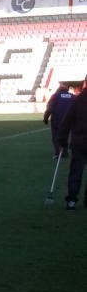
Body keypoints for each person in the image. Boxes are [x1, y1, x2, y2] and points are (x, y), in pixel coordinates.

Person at [58, 77, 87, 209]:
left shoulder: (77, 100)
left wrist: (62, 141)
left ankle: (72, 201)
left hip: (79, 142)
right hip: (80, 141)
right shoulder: (77, 100)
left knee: (76, 172)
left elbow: (66, 122)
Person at [43, 81, 75, 158]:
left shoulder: (55, 96)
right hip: (69, 121)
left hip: (57, 120)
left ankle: (58, 153)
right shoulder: (72, 96)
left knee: (56, 137)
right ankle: (65, 152)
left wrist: (46, 118)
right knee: (66, 136)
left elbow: (49, 109)